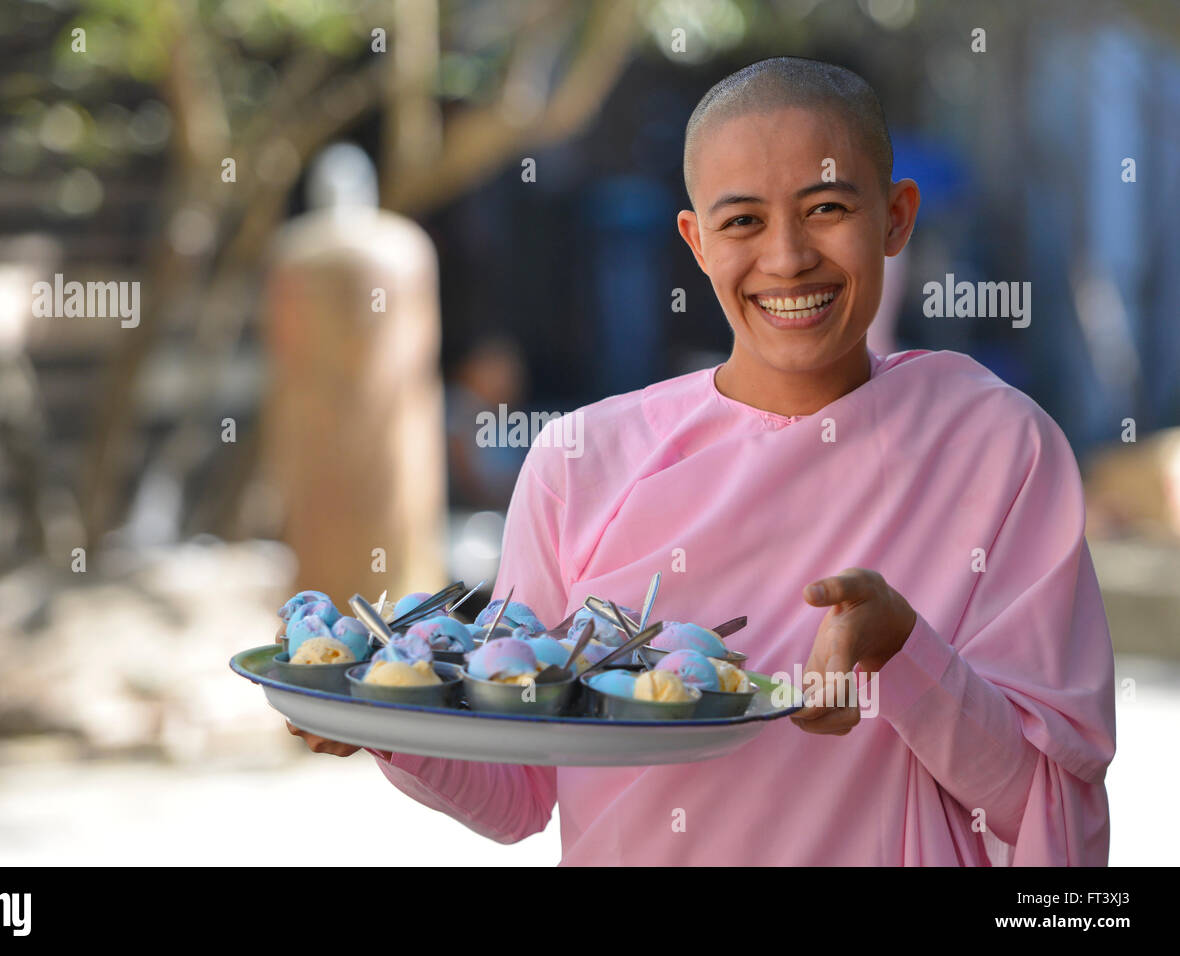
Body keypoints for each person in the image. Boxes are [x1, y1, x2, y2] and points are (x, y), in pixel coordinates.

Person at [287, 57, 1115, 866]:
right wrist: (383, 719)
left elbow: (1050, 817)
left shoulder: (996, 447)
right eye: (743, 220)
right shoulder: (583, 460)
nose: (787, 258)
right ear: (695, 239)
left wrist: (905, 655)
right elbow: (522, 787)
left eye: (826, 207)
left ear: (896, 216)